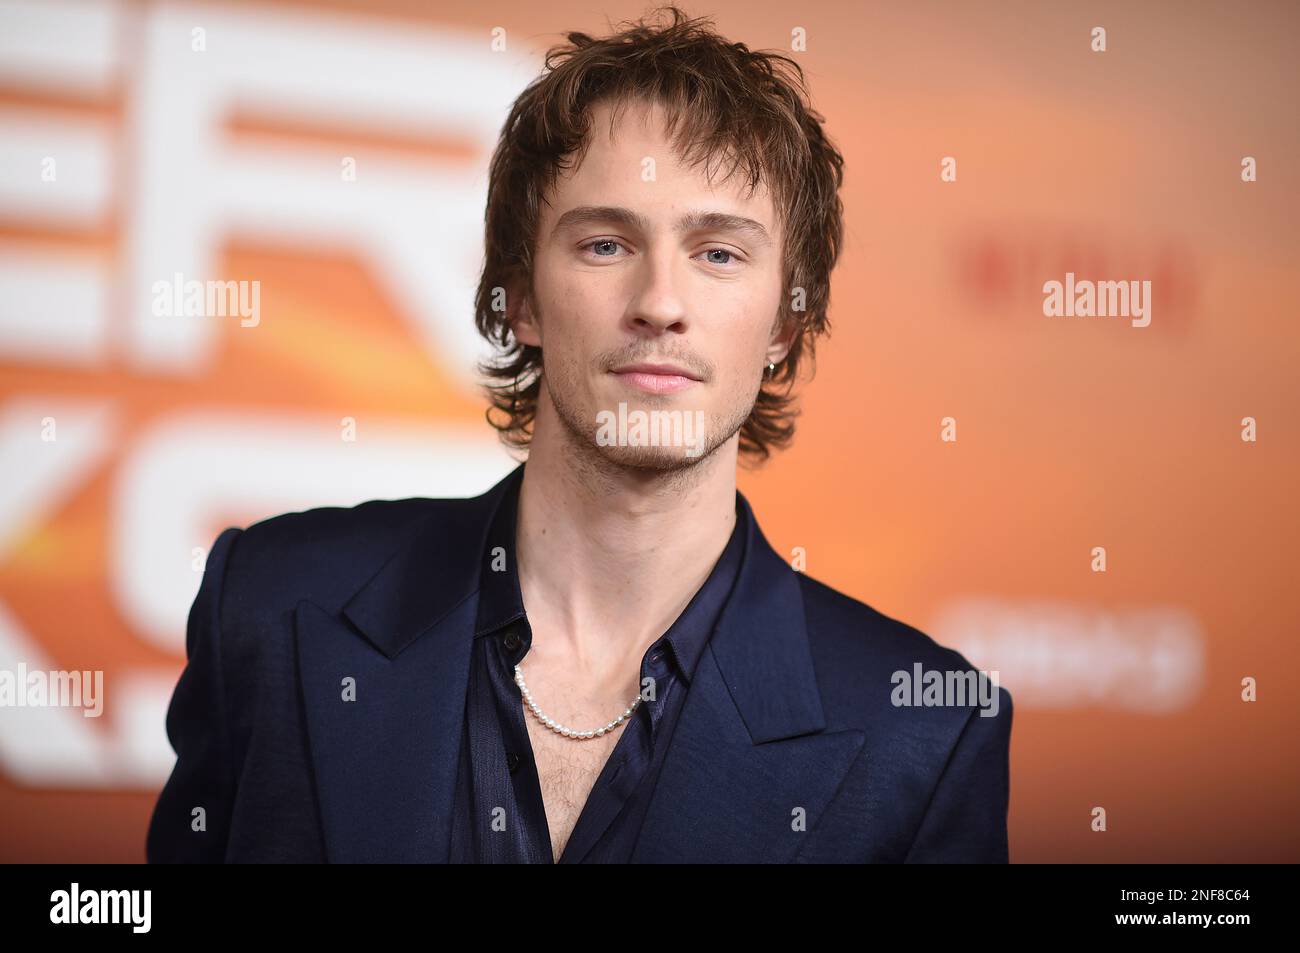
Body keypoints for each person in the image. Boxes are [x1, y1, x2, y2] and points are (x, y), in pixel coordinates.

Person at [146, 5, 1011, 864]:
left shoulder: (924, 734)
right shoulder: (272, 608)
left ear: (786, 324)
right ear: (520, 297)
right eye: (605, 242)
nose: (660, 302)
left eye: (719, 253)